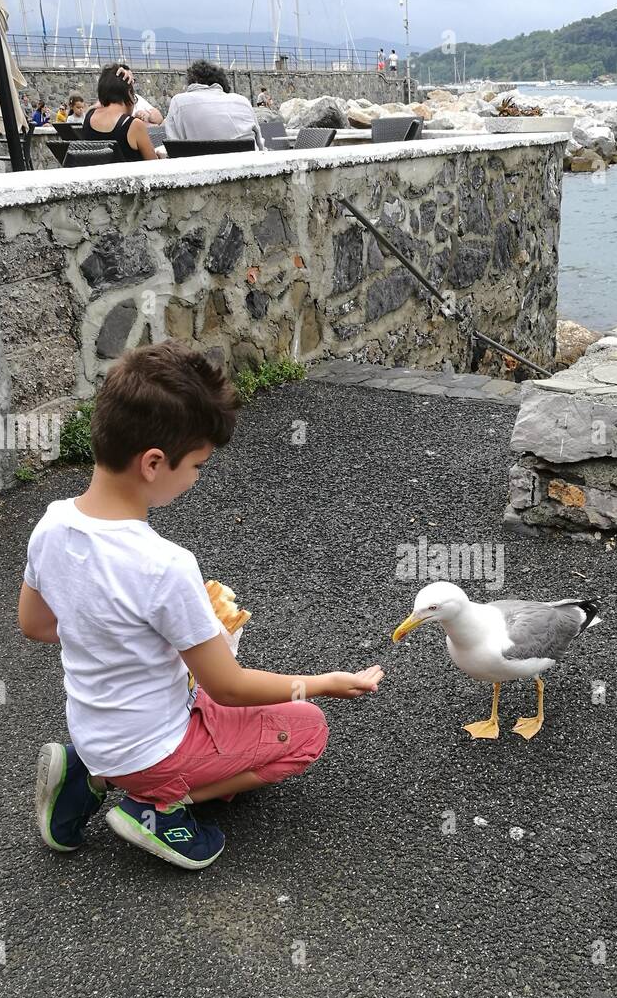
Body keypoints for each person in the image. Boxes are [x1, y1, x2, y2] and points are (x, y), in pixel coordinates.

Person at [19, 342, 384, 870]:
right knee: (307, 729)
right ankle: (157, 807)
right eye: (195, 464)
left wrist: (114, 630)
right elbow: (228, 687)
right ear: (153, 463)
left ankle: (89, 774)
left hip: (94, 730)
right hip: (154, 747)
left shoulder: (50, 525)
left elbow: (35, 624)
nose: (196, 477)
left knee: (183, 712)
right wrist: (325, 682)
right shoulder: (163, 564)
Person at [162, 60, 262, 148]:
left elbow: (174, 147)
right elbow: (260, 145)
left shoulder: (179, 102)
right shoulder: (242, 101)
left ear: (193, 82)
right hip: (248, 164)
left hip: (201, 166)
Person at [80, 64, 158, 163]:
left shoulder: (89, 117)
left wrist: (112, 80)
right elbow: (154, 165)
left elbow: (98, 105)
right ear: (129, 93)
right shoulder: (134, 125)